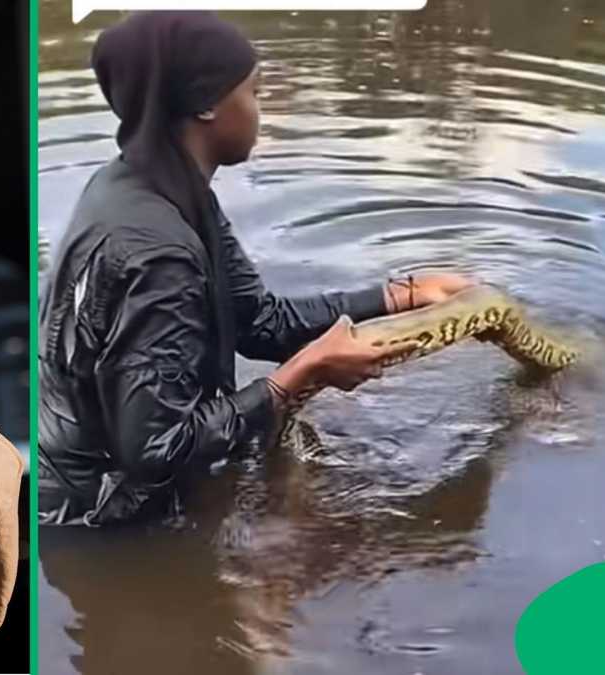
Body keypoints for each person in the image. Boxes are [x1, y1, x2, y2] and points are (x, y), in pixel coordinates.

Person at [37, 11, 475, 527]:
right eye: (254, 91)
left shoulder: (155, 187)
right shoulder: (159, 254)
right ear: (206, 105)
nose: (260, 111)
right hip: (94, 517)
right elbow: (156, 449)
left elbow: (259, 320)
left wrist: (401, 295)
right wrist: (301, 374)